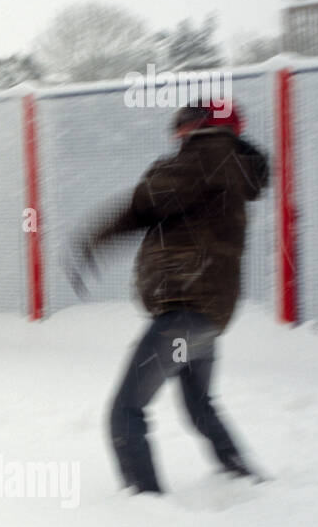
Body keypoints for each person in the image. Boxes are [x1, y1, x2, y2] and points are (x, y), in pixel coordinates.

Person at [71, 99, 270, 495]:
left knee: (126, 409)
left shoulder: (206, 157)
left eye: (187, 121)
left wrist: (92, 240)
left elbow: (144, 203)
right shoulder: (230, 168)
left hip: (181, 317)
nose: (177, 129)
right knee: (199, 407)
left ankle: (146, 503)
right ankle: (245, 479)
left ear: (210, 127)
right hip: (204, 325)